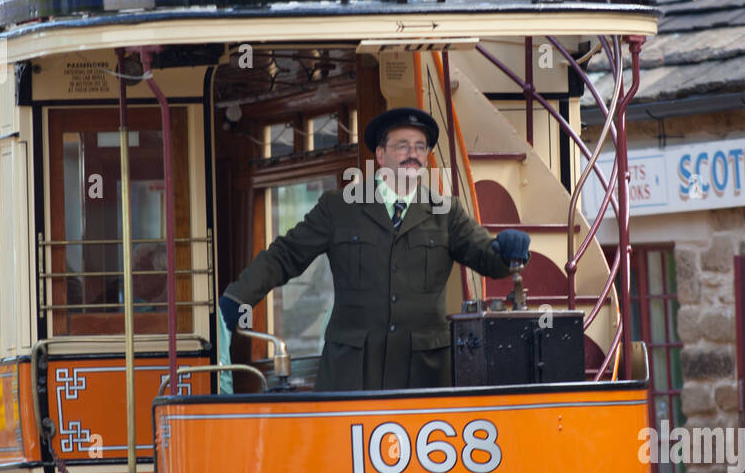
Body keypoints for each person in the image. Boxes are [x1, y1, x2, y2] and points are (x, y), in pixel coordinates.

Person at [218, 106, 530, 391]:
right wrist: (237, 299)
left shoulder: (446, 212)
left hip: (424, 378)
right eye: (403, 146)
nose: (413, 154)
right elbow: (285, 255)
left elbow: (489, 260)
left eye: (421, 147)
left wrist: (509, 251)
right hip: (352, 374)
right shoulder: (339, 207)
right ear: (380, 156)